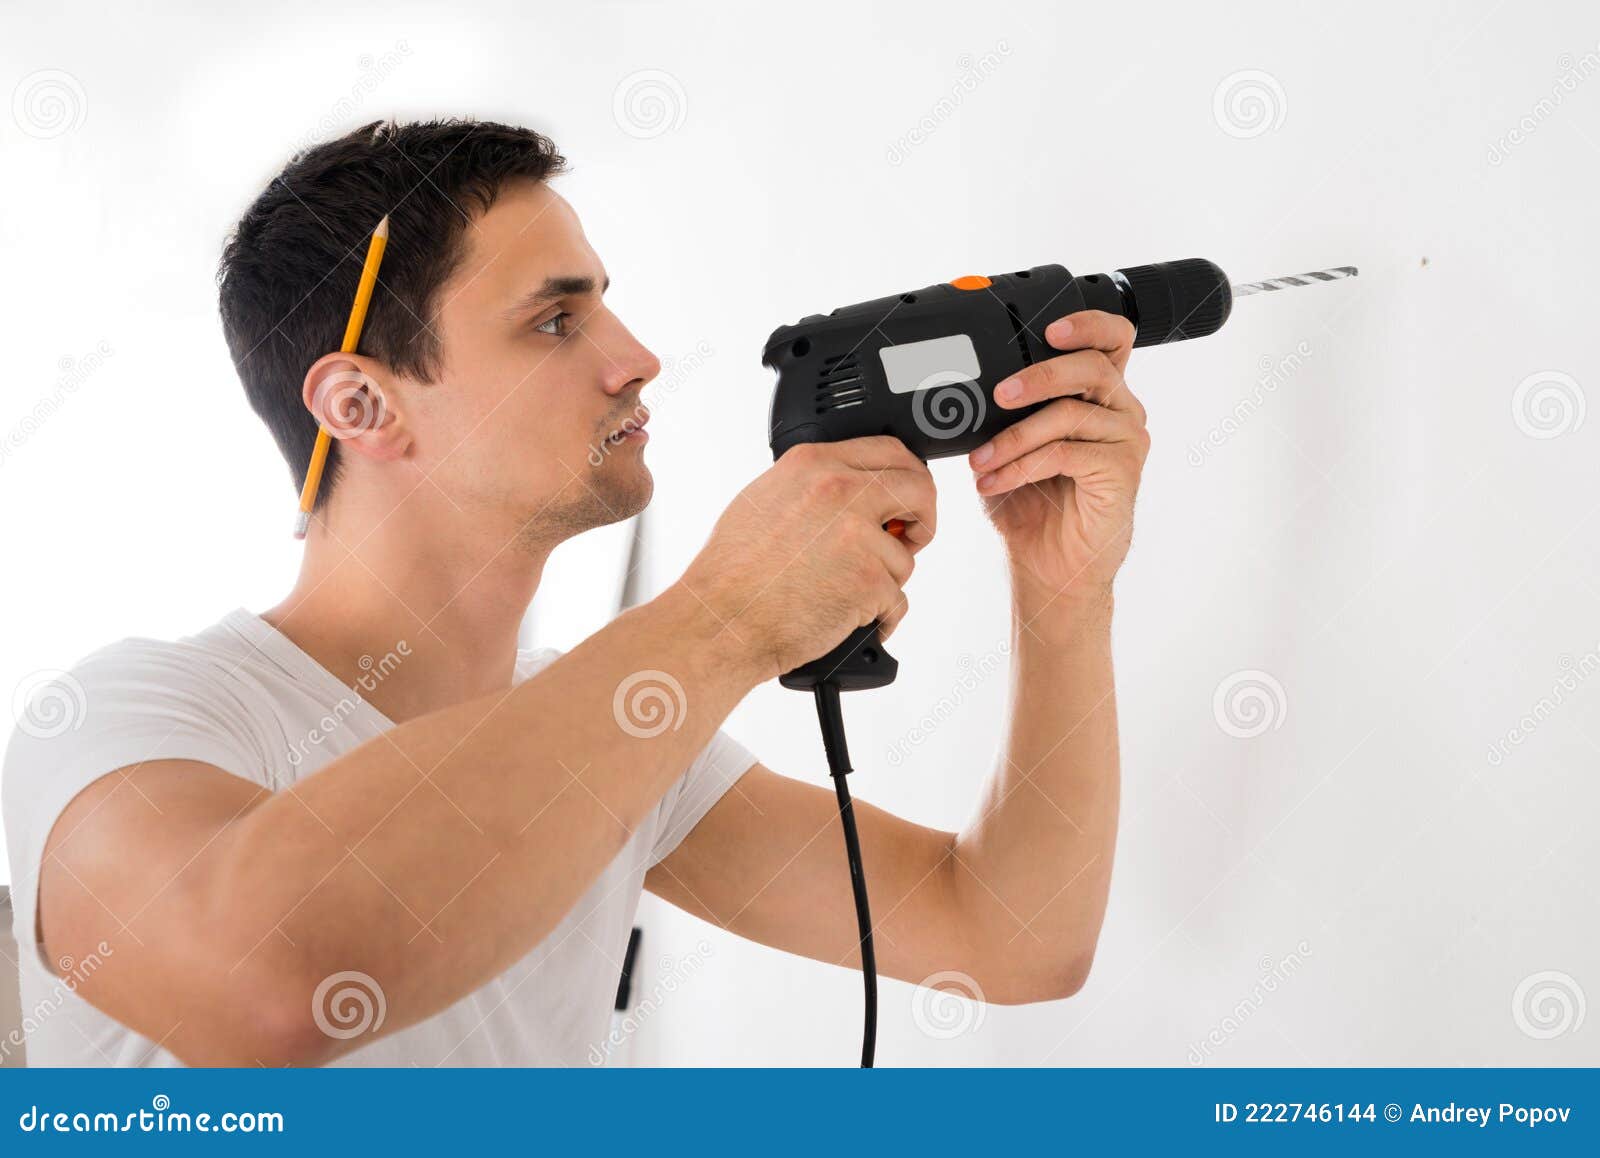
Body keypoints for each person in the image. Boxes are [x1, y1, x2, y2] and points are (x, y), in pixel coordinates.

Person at [1, 118, 1149, 1066]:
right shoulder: (123, 720)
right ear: (360, 405)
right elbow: (272, 988)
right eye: (555, 320)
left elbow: (1009, 935)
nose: (636, 357)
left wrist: (1061, 592)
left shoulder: (623, 739)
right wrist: (726, 615)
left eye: (604, 305)